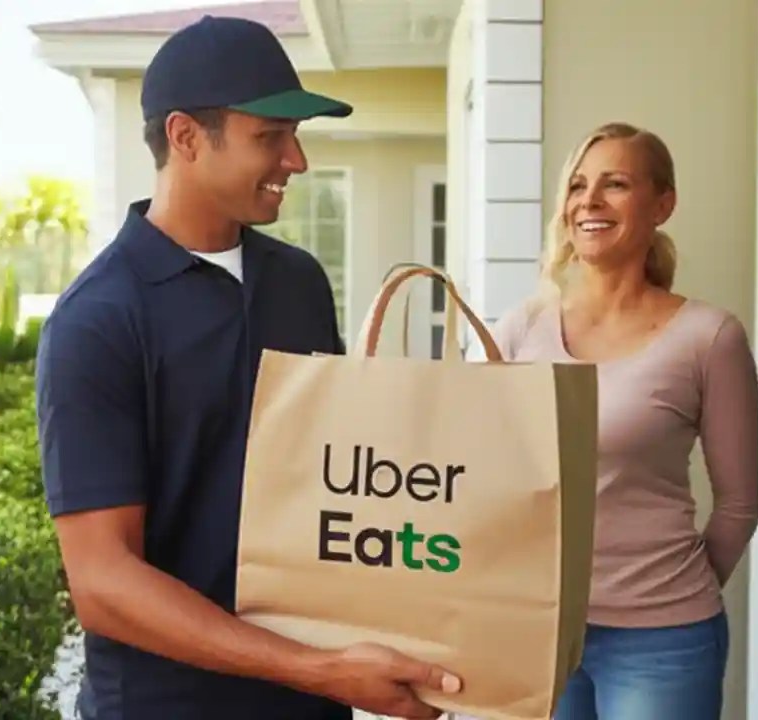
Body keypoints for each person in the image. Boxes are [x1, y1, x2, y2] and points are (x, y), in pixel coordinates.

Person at [34, 15, 461, 720]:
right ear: (185, 137)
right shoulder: (99, 319)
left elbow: (337, 479)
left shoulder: (299, 281)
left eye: (295, 135)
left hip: (311, 700)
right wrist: (318, 669)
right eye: (270, 137)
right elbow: (104, 583)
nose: (297, 160)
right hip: (167, 707)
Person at [488, 122, 758, 720]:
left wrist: (671, 594)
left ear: (662, 205)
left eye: (614, 184)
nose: (589, 200)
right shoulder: (520, 329)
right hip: (537, 631)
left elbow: (740, 503)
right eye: (577, 185)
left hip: (660, 642)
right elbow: (473, 472)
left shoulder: (708, 336)